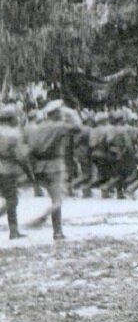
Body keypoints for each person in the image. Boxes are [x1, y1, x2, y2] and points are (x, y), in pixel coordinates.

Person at [24, 100, 82, 240]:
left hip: (39, 166)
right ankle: (46, 220)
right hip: (55, 165)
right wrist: (70, 112)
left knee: (54, 199)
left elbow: (30, 149)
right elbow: (78, 127)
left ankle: (57, 231)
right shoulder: (58, 127)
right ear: (57, 114)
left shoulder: (35, 128)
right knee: (58, 201)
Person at [0, 105, 29, 239]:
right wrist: (28, 172)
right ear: (12, 119)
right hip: (7, 169)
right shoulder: (14, 133)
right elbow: (20, 156)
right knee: (12, 200)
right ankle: (13, 231)